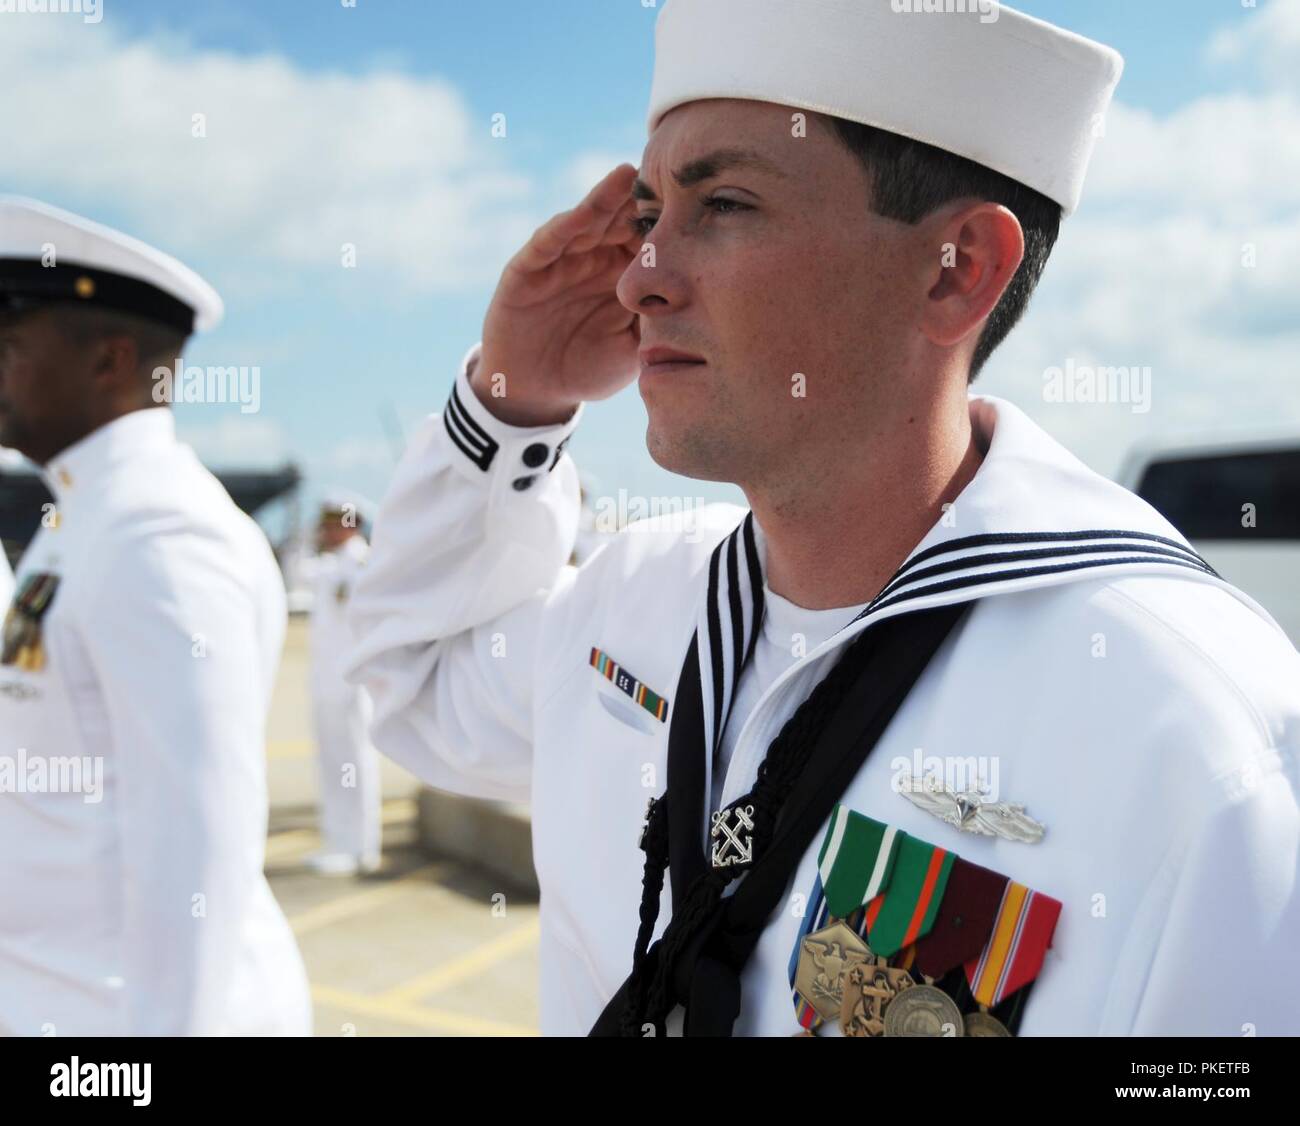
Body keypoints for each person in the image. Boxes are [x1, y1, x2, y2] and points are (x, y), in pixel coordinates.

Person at [346, 0, 1300, 1036]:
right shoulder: (639, 597)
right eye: (648, 215)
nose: (638, 278)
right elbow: (415, 682)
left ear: (957, 268)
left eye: (724, 205)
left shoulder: (1187, 727)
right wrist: (508, 396)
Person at [0, 197, 311, 1035]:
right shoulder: (84, 517)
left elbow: (193, 850)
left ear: (109, 360)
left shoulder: (160, 538)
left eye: (9, 345)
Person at [305, 496, 381, 876]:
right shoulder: (329, 565)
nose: (327, 530)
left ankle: (361, 846)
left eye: (334, 523)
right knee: (333, 761)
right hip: (326, 680)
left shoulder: (362, 563)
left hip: (352, 683)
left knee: (355, 762)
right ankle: (337, 841)